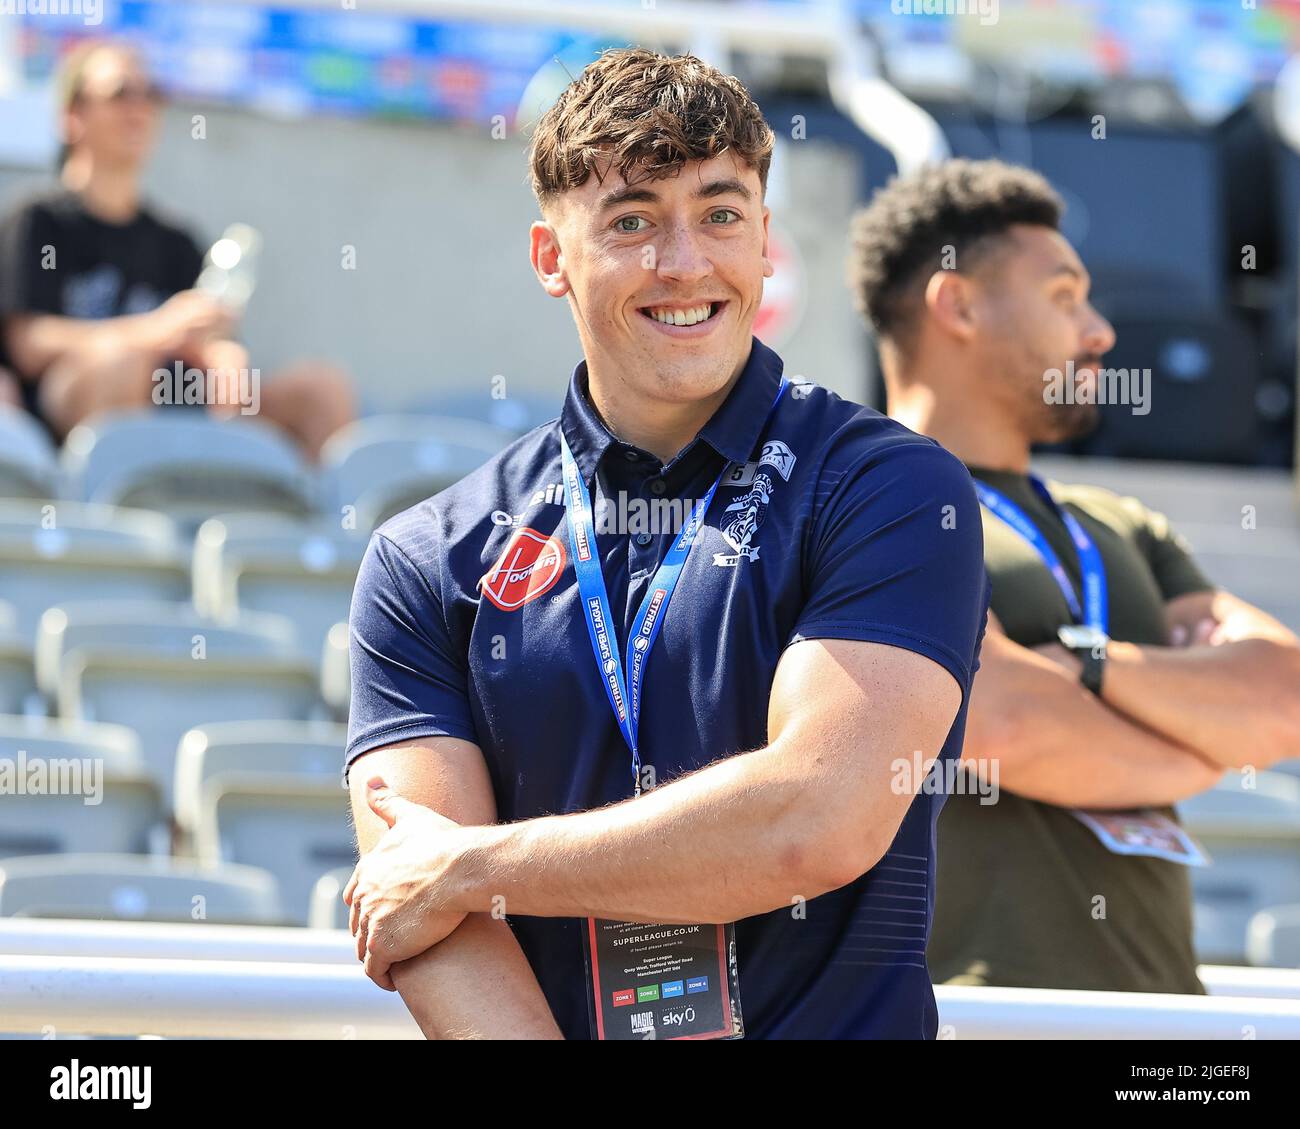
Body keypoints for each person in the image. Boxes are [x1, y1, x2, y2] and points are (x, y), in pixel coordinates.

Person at [341, 48, 988, 1040]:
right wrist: (447, 880)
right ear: (550, 258)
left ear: (766, 239)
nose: (686, 263)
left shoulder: (891, 486)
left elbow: (815, 818)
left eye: (721, 214)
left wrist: (476, 865)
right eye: (633, 220)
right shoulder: (427, 556)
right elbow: (427, 918)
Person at [847, 158, 1300, 994]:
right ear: (960, 305)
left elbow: (1282, 701)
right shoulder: (864, 500)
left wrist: (1088, 665)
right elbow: (999, 721)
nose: (1100, 332)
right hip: (981, 1013)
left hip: (1168, 1033)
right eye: (1064, 297)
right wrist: (1199, 739)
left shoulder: (1119, 521)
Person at [0, 40, 354, 457]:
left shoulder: (175, 239)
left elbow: (205, 343)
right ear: (72, 116)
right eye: (120, 94)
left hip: (183, 403)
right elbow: (29, 345)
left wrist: (222, 354)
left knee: (321, 389)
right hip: (66, 414)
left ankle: (296, 516)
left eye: (150, 94)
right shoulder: (40, 221)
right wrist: (155, 331)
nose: (139, 108)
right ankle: (119, 515)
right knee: (123, 364)